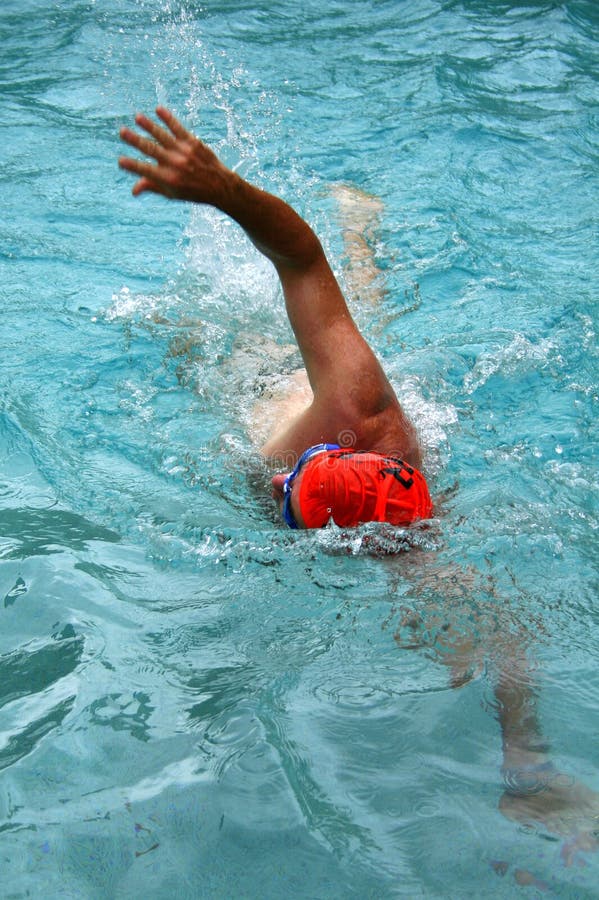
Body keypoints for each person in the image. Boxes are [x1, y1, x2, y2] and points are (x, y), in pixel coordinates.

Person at [119, 107, 433, 530]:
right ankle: (359, 228)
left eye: (290, 496)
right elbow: (302, 259)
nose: (277, 479)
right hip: (275, 380)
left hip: (323, 394)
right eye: (300, 470)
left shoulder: (409, 507)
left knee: (361, 330)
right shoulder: (358, 410)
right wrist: (224, 190)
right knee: (193, 338)